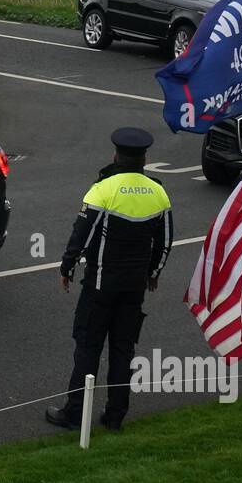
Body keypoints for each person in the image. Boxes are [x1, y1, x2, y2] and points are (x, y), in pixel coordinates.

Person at [46, 127, 173, 432]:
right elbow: (165, 241)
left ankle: (75, 413)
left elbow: (82, 233)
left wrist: (67, 267)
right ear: (145, 158)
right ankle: (115, 415)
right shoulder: (158, 192)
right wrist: (153, 274)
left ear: (116, 156)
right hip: (134, 288)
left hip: (100, 286)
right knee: (122, 349)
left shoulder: (103, 189)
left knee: (88, 347)